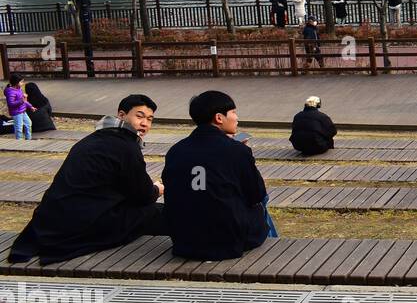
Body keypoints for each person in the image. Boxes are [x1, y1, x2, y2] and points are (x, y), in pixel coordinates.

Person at [10, 94, 167, 264]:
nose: (145, 124)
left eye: (150, 119)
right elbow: (143, 195)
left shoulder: (94, 139)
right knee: (157, 212)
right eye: (139, 116)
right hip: (83, 223)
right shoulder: (126, 147)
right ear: (121, 115)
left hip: (51, 219)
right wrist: (157, 189)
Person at [162, 91, 271, 261]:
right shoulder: (236, 150)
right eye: (234, 112)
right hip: (227, 241)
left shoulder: (176, 150)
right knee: (262, 202)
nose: (237, 118)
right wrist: (243, 153)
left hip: (184, 240)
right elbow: (256, 194)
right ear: (219, 118)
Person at [5, 73, 34, 140]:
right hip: (16, 112)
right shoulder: (10, 92)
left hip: (23, 111)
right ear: (16, 82)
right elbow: (11, 103)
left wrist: (30, 106)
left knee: (28, 123)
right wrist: (22, 101)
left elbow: (24, 101)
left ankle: (28, 139)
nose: (23, 83)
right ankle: (19, 141)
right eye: (21, 82)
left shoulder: (19, 89)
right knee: (19, 127)